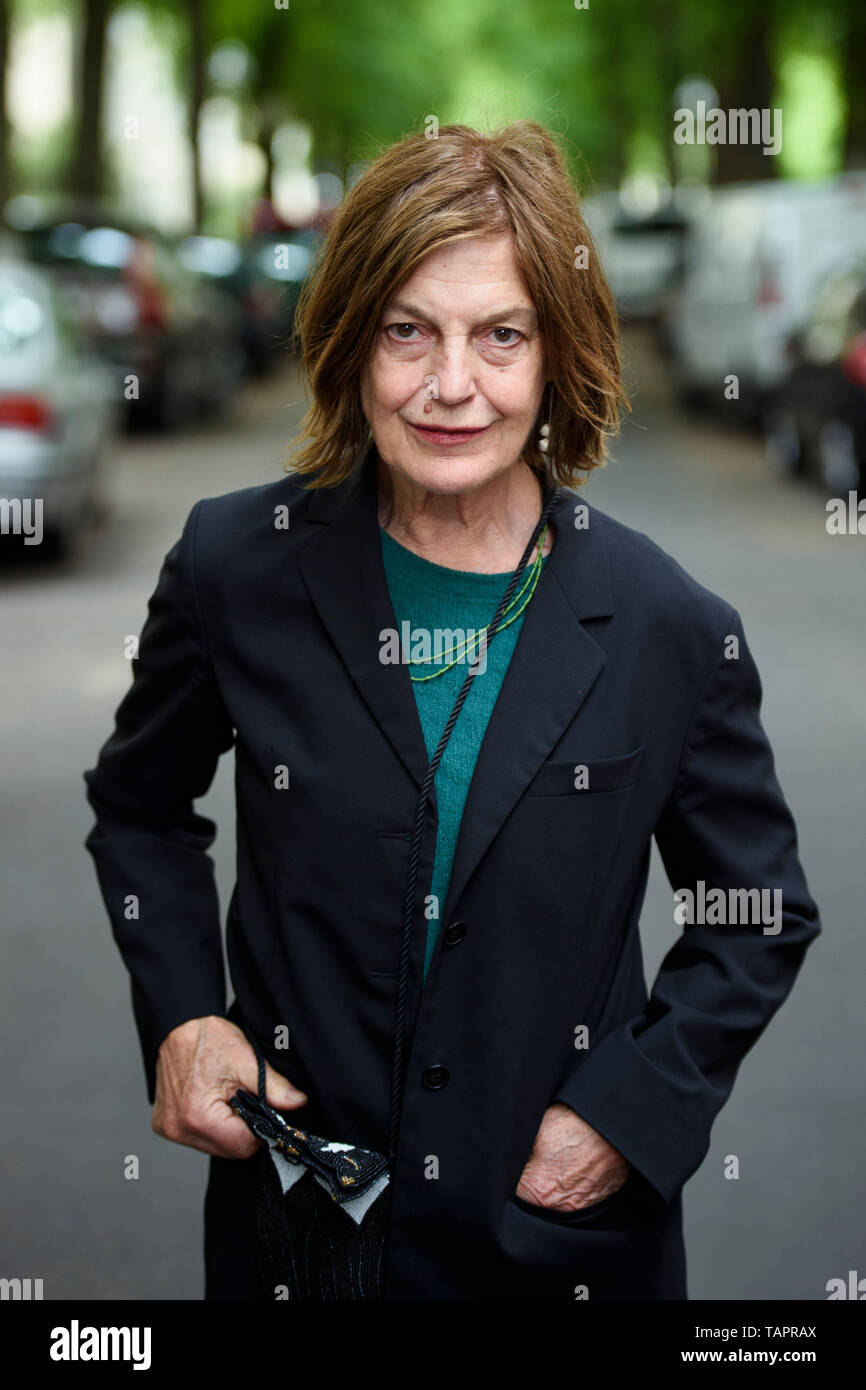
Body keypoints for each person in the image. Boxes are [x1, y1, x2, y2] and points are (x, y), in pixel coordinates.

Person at [83, 121, 821, 1301]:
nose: (450, 385)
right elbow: (138, 808)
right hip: (300, 1246)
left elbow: (757, 912)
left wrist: (629, 1110)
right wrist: (182, 1018)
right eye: (406, 330)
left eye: (501, 335)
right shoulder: (234, 566)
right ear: (351, 341)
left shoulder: (666, 625)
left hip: (555, 1255)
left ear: (557, 353)